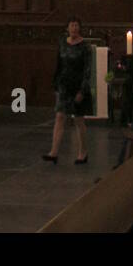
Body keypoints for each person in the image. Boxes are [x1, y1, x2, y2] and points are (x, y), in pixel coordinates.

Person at [43, 17, 93, 165]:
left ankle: (83, 153)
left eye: (77, 25)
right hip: (64, 85)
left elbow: (87, 70)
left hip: (77, 86)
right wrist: (56, 85)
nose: (74, 28)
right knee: (59, 117)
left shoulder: (85, 47)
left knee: (78, 120)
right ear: (67, 28)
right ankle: (54, 152)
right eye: (72, 25)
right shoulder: (62, 43)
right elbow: (59, 64)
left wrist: (82, 91)